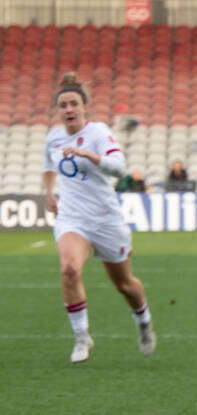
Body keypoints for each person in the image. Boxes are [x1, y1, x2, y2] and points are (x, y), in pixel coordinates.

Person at [43, 72, 156, 363]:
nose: (68, 109)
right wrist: (48, 192)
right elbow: (48, 166)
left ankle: (143, 320)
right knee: (69, 268)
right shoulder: (53, 138)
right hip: (72, 218)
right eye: (63, 105)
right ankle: (82, 337)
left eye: (73, 104)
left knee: (124, 284)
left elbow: (119, 168)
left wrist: (88, 155)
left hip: (106, 219)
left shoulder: (99, 133)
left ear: (84, 108)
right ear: (59, 110)